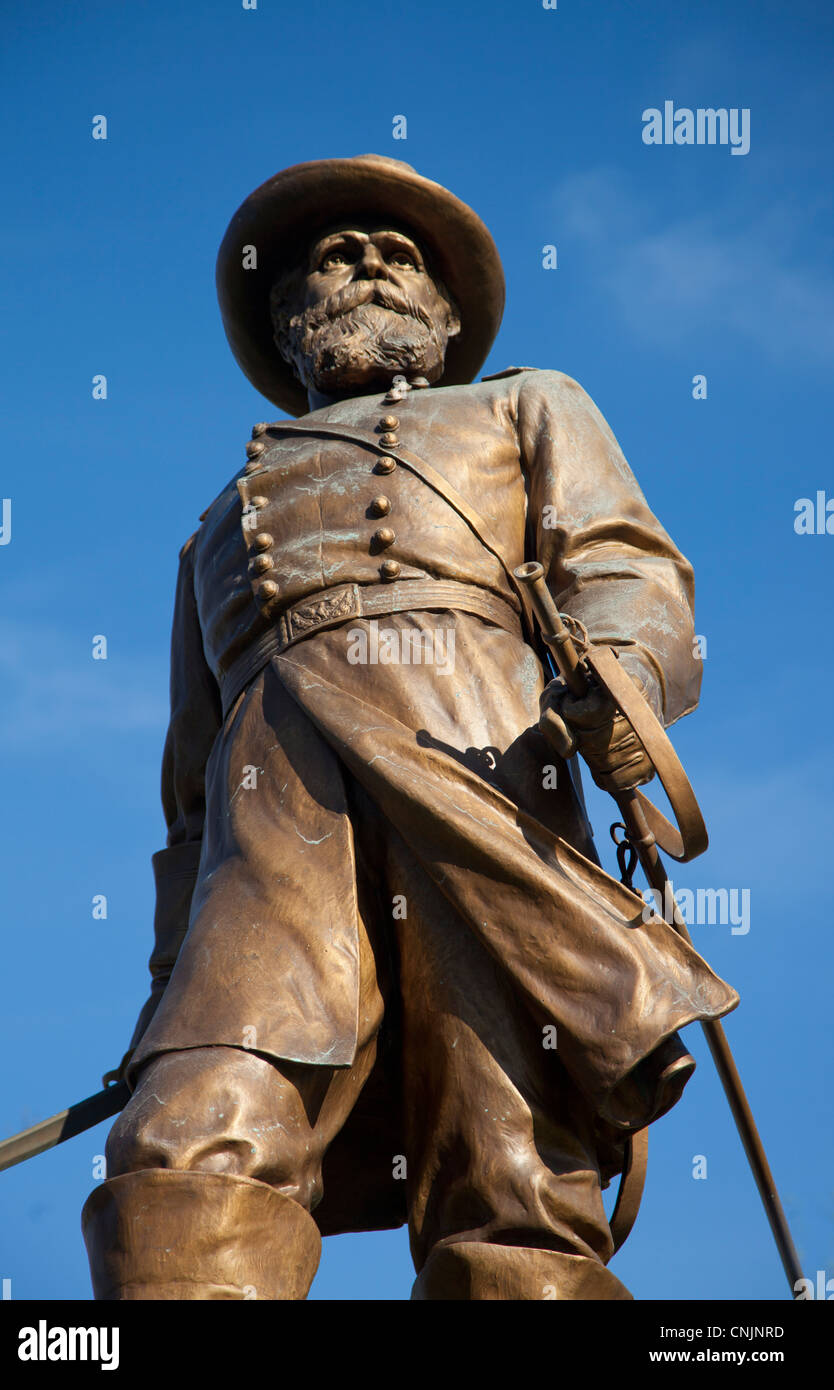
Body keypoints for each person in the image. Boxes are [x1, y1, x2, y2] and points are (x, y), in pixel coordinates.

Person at [82, 155, 737, 1301]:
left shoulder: (525, 404)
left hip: (483, 794)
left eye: (400, 259)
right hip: (273, 842)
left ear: (442, 316)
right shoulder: (209, 536)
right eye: (335, 255)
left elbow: (626, 569)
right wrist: (161, 1002)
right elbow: (188, 804)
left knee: (511, 1184)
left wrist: (619, 693)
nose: (370, 266)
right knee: (185, 1139)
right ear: (289, 319)